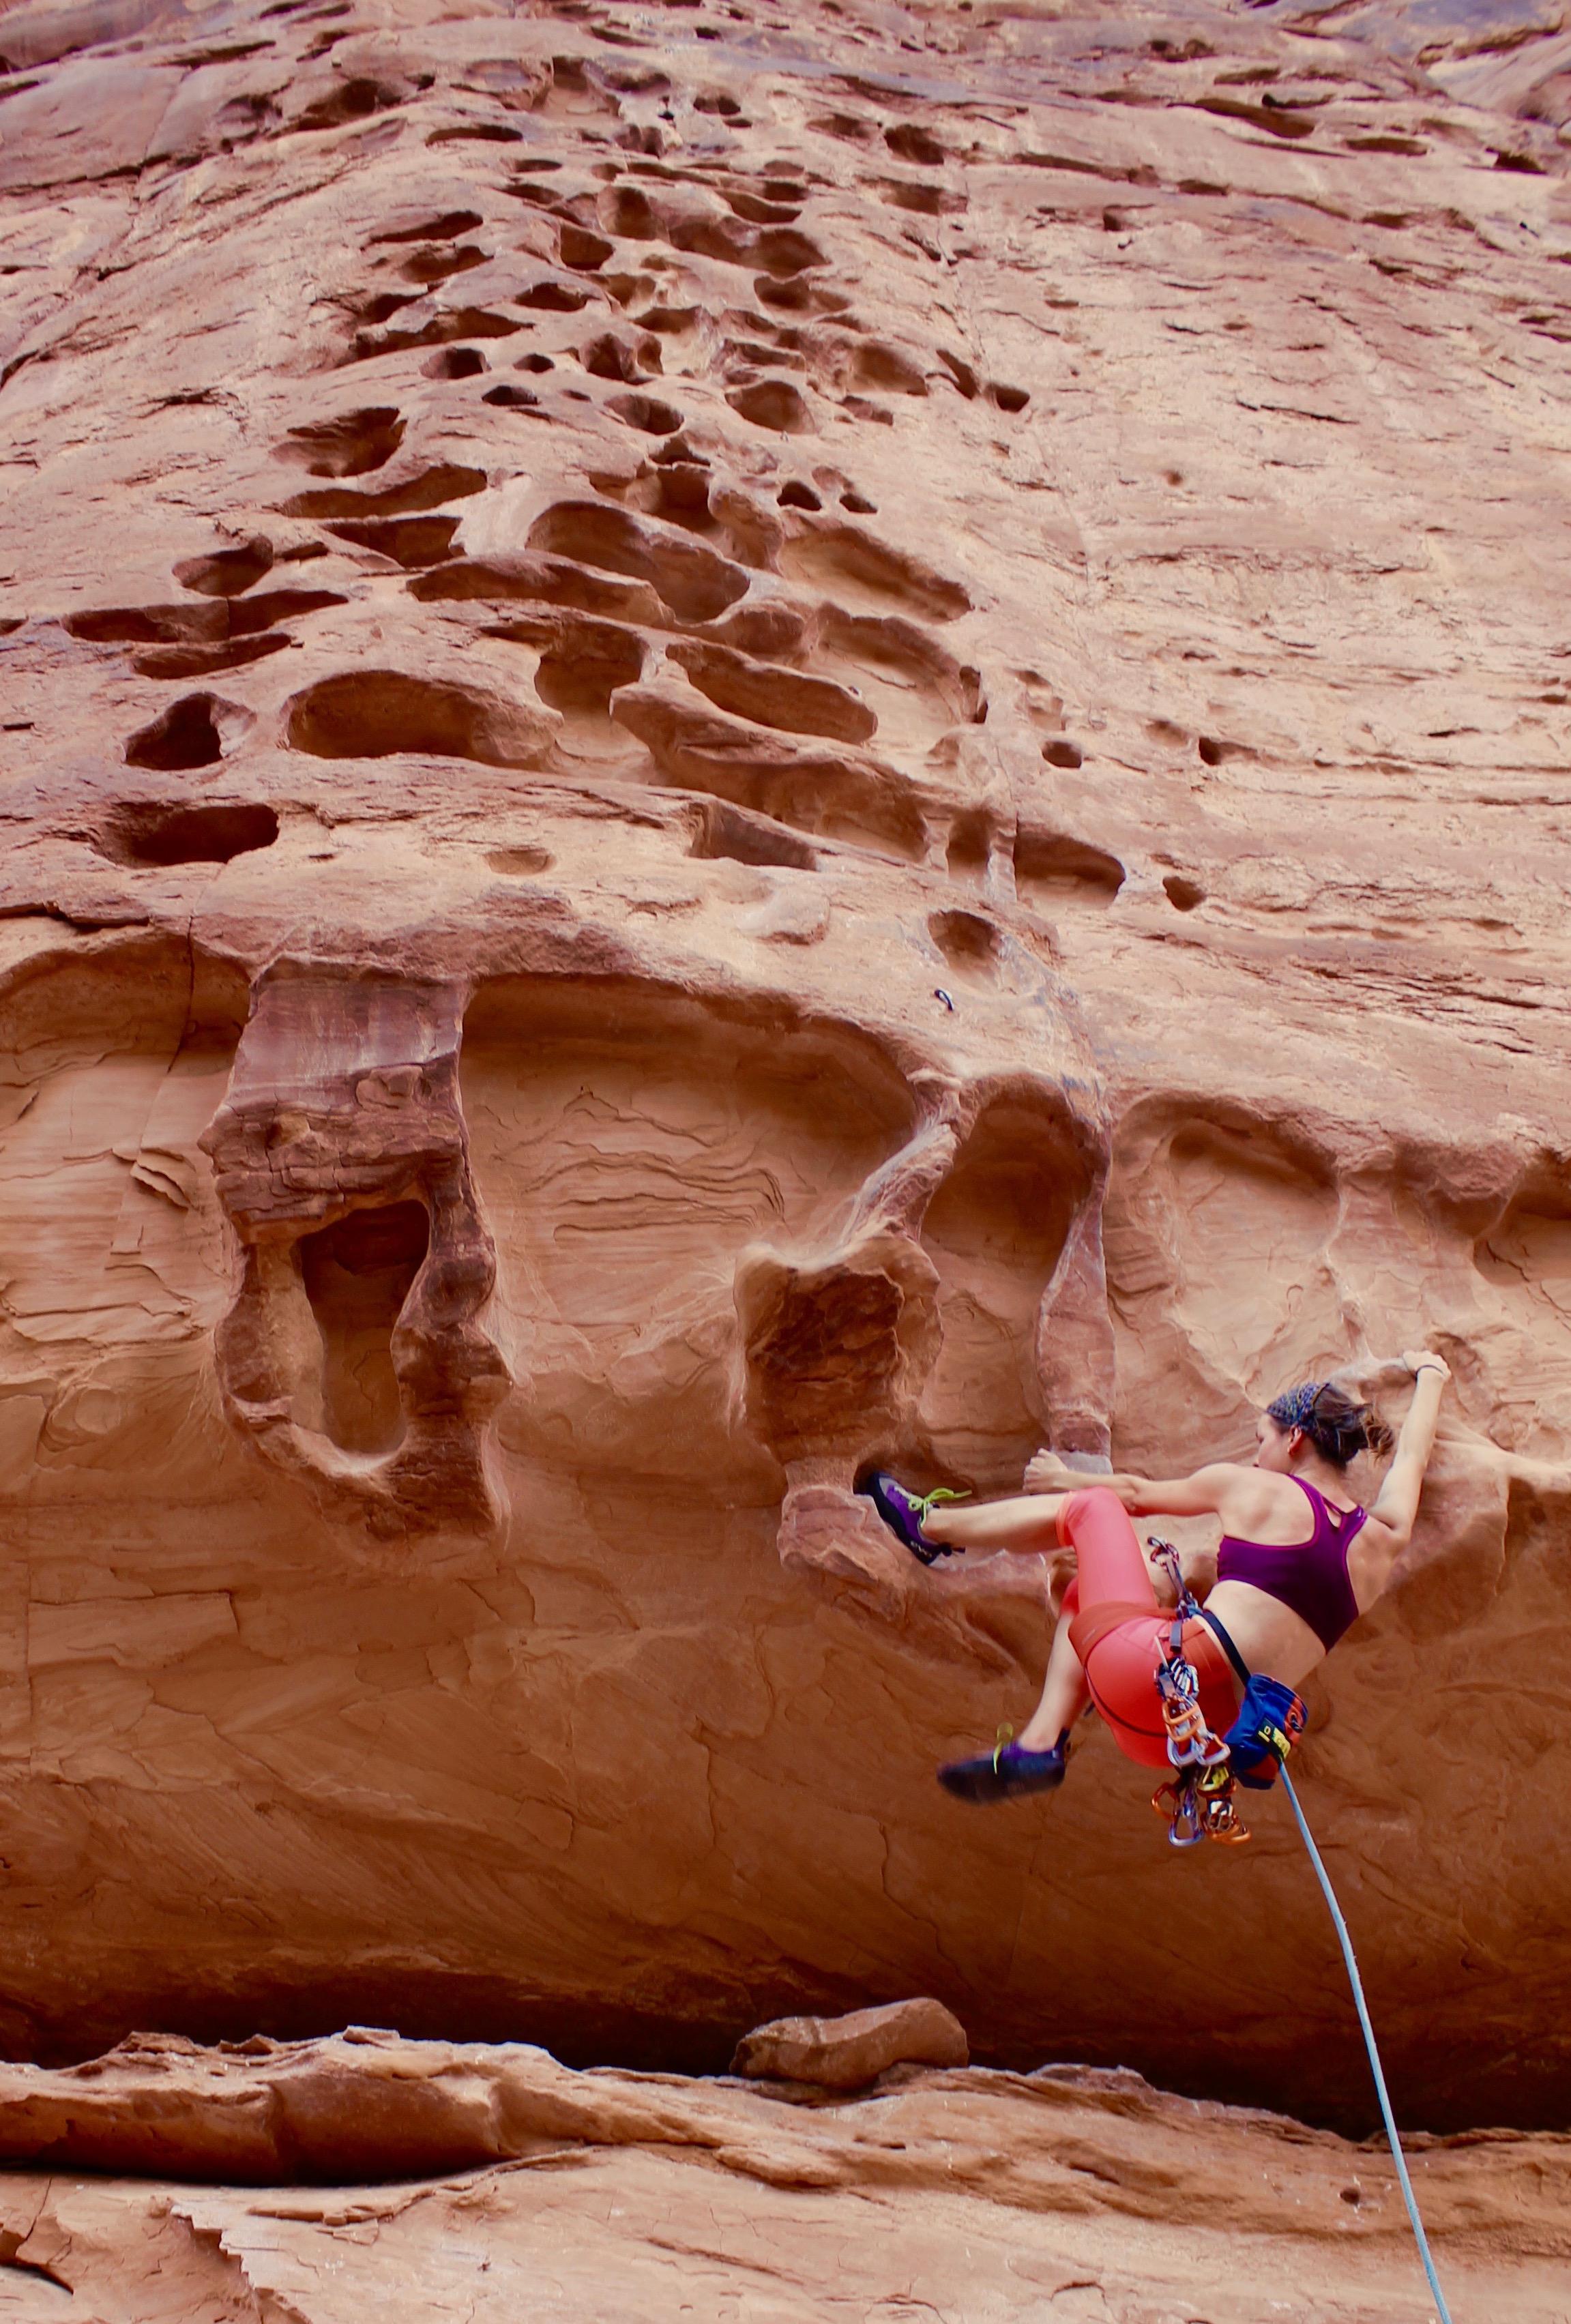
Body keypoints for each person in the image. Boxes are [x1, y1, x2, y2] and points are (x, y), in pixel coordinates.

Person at [862, 1353, 1451, 1802]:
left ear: (1294, 1438)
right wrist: (1431, 1378)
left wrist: (1066, 1481)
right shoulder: (1382, 1539)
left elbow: (1133, 1495)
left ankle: (928, 1525)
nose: (1256, 1457)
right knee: (1089, 1591)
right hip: (1181, 1741)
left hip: (1157, 1682)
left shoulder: (1259, 1488)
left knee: (1093, 1511)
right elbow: (1411, 1459)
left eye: (1261, 1441)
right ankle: (1040, 1743)